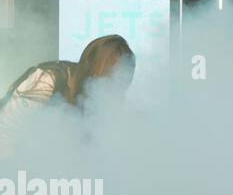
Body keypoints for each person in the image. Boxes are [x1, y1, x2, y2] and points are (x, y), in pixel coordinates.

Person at [0, 34, 136, 156]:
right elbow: (7, 134)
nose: (117, 84)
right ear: (94, 68)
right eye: (110, 75)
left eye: (124, 77)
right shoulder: (48, 79)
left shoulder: (109, 100)